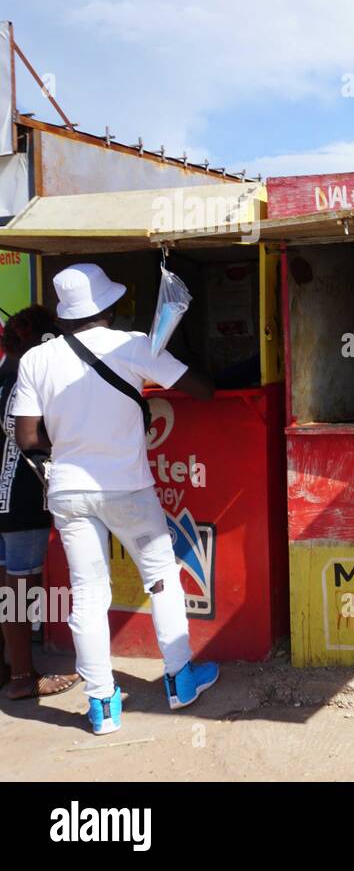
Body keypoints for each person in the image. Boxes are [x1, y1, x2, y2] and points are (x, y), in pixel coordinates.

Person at [11, 263, 219, 735]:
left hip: (68, 489)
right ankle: (181, 680)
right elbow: (203, 390)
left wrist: (73, 430)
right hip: (126, 485)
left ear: (63, 316)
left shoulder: (35, 361)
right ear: (108, 306)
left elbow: (26, 437)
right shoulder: (134, 344)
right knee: (162, 576)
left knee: (87, 593)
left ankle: (103, 706)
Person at [0, 305, 79, 701]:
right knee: (18, 587)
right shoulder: (26, 380)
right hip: (20, 499)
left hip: (4, 502)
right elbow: (29, 434)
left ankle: (10, 668)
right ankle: (23, 678)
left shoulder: (3, 374)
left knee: (5, 583)